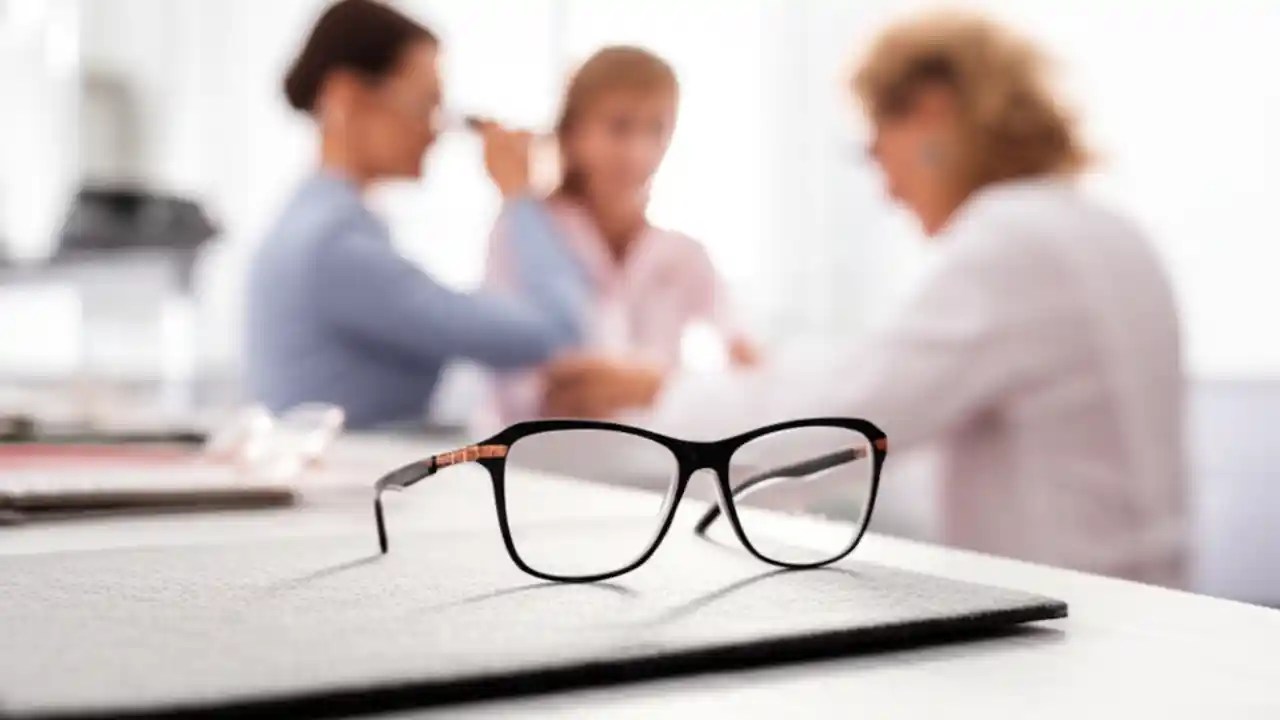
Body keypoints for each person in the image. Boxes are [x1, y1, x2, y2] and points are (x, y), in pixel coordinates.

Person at [541, 12, 1186, 586]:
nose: (886, 188)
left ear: (931, 111)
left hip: (1075, 634)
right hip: (1138, 609)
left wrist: (651, 388)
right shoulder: (1099, 228)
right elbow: (880, 376)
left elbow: (841, 421)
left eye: (876, 148)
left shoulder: (1012, 242)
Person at [246, 0, 588, 428]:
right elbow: (555, 333)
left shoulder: (308, 226)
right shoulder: (335, 248)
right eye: (426, 104)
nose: (436, 130)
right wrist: (520, 196)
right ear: (346, 97)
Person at [480, 46, 755, 426]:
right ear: (571, 134)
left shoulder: (684, 255)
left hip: (650, 465)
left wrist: (656, 386)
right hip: (535, 459)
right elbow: (507, 366)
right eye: (619, 127)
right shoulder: (524, 232)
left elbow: (747, 361)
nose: (639, 152)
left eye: (656, 129)